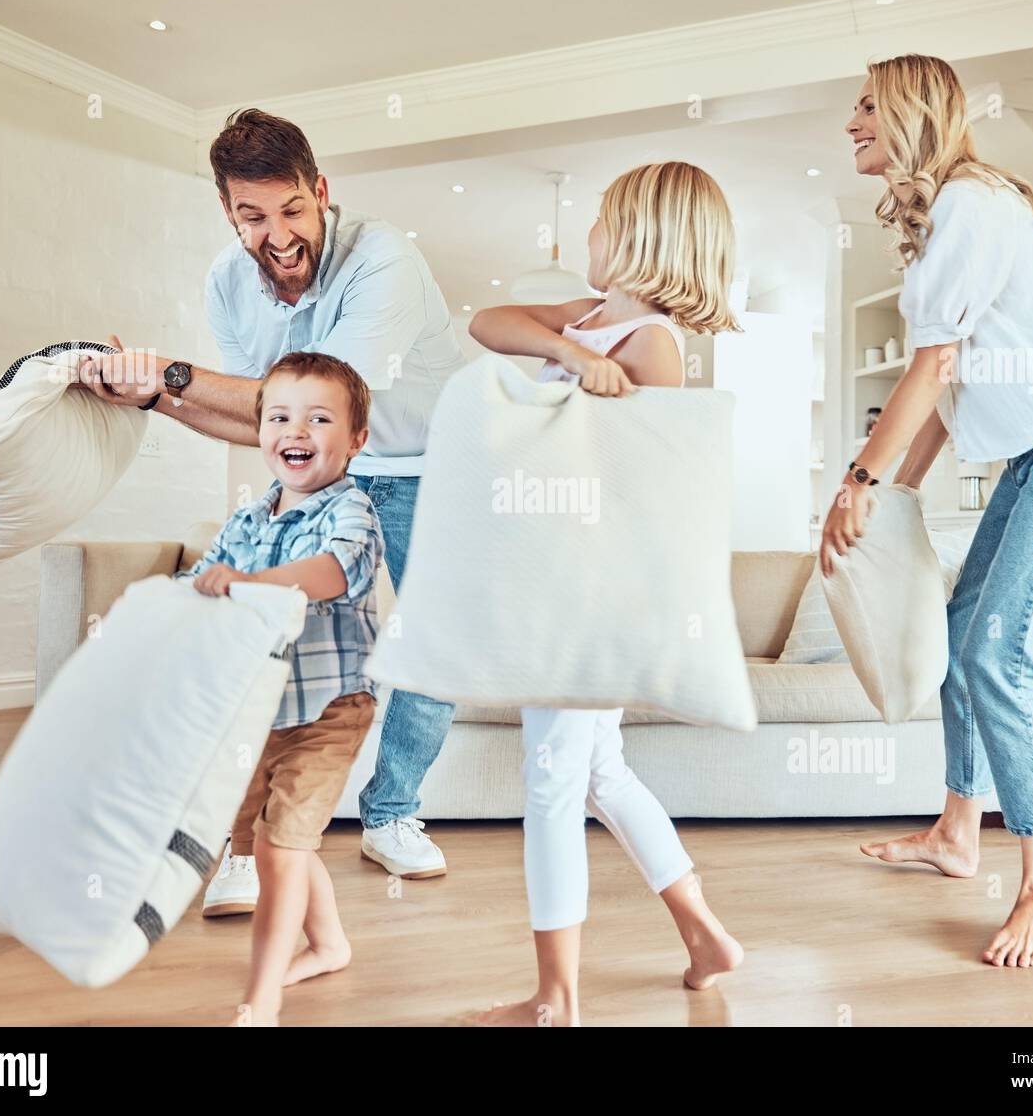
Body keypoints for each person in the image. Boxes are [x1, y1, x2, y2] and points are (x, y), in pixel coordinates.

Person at [78, 109, 466, 900]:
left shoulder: (382, 258)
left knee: (435, 640)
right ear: (229, 212)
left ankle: (390, 814)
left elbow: (313, 397)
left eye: (292, 209)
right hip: (316, 470)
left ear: (321, 191)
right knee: (261, 642)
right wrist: (149, 394)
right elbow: (269, 418)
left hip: (429, 464)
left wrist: (170, 375)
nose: (277, 234)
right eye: (253, 216)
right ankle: (248, 844)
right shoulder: (228, 280)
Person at [825, 54, 1033, 967]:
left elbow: (928, 371)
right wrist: (888, 498)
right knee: (964, 624)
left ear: (912, 114)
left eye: (866, 108)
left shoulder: (970, 204)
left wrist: (860, 485)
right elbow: (946, 376)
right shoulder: (949, 217)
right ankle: (958, 831)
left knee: (1000, 650)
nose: (850, 124)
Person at [467, 162, 745, 1025]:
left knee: (550, 779)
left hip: (594, 596)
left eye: (600, 218)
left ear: (639, 237)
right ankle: (705, 938)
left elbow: (654, 492)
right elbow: (487, 321)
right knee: (600, 772)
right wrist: (570, 351)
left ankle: (556, 1000)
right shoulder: (588, 321)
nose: (584, 233)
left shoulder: (653, 342)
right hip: (563, 582)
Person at [178, 352, 383, 1025]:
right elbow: (202, 587)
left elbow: (330, 573)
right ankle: (328, 943)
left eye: (320, 419)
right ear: (260, 429)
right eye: (280, 416)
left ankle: (261, 999)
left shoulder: (351, 509)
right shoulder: (246, 521)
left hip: (330, 707)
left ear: (355, 439)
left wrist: (248, 585)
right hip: (257, 710)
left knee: (278, 845)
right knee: (271, 833)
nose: (296, 430)